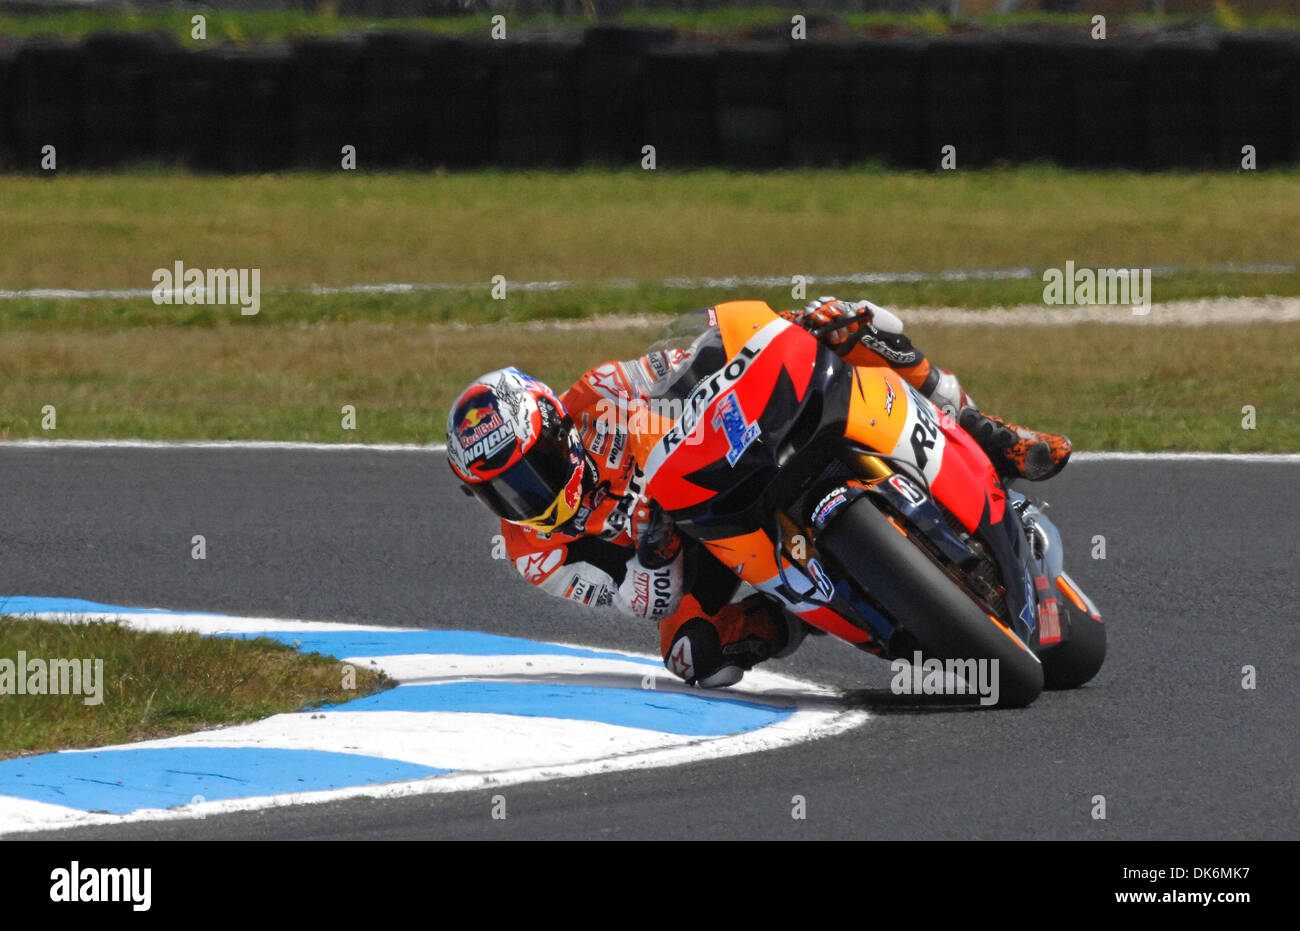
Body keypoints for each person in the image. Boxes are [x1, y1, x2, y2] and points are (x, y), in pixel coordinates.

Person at [445, 297, 1071, 688]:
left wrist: (772, 335)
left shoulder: (599, 394)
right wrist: (658, 553)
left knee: (845, 322)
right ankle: (805, 615)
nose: (528, 493)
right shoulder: (536, 554)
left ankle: (989, 433)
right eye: (503, 491)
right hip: (696, 546)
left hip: (715, 460)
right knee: (692, 656)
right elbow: (643, 602)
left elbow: (688, 364)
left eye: (534, 467)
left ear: (557, 427)